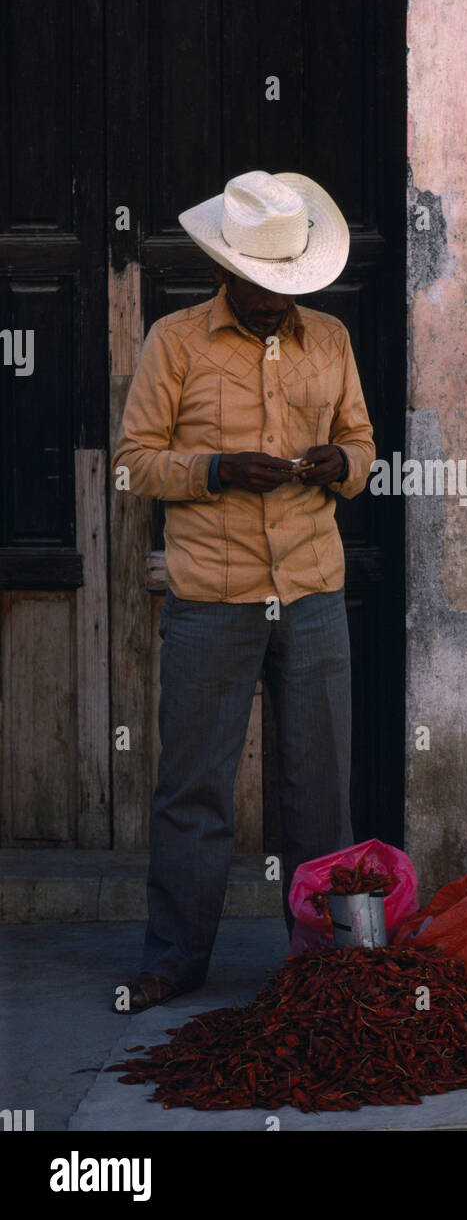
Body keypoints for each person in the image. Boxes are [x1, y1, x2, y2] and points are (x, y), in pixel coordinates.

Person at [111, 170, 375, 1013]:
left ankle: (321, 960)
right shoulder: (174, 341)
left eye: (285, 288)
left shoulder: (329, 339)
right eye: (261, 289)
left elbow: (361, 441)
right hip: (210, 600)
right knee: (194, 787)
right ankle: (176, 957)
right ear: (225, 270)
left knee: (320, 790)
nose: (274, 304)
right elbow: (133, 463)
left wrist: (344, 467)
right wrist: (217, 470)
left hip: (313, 591)